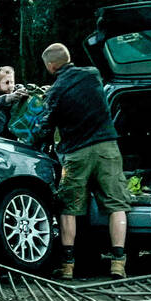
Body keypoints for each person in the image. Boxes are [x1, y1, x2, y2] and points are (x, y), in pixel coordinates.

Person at [31, 43, 130, 279]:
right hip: (108, 148)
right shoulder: (94, 74)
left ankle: (67, 266)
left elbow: (45, 127)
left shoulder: (55, 91)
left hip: (77, 153)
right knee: (117, 206)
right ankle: (118, 263)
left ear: (51, 65)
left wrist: (32, 138)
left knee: (69, 208)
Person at [0, 65, 28, 138]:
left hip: (14, 135)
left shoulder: (17, 90)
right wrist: (7, 98)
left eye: (12, 82)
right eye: (6, 83)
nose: (10, 86)